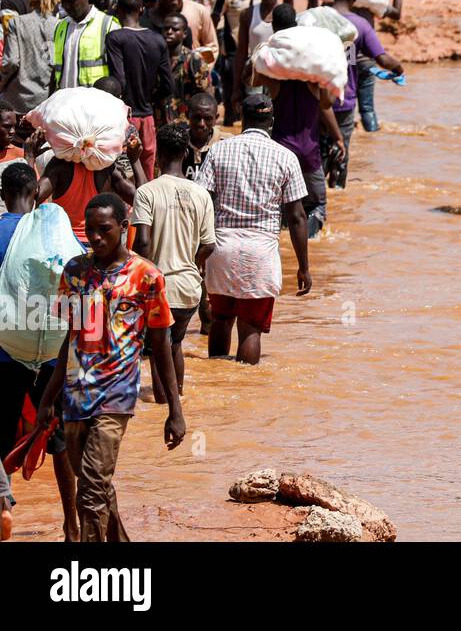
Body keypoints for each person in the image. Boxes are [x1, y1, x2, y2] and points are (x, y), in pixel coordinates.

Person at [36, 192, 185, 542]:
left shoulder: (146, 276)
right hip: (75, 395)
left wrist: (175, 409)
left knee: (88, 492)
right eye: (90, 230)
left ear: (124, 227)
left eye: (104, 230)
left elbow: (161, 344)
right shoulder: (74, 271)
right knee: (94, 484)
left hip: (117, 394)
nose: (96, 237)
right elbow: (70, 339)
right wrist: (48, 397)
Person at [193, 93, 310, 365]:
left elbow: (201, 201)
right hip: (261, 252)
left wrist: (196, 252)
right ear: (271, 121)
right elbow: (297, 217)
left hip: (220, 249)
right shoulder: (286, 157)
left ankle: (218, 384)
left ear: (242, 118)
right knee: (250, 327)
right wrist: (304, 266)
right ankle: (244, 388)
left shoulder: (219, 150)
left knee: (220, 320)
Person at [0, 162, 80, 543]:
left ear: (2, 196)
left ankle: (2, 504)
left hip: (4, 351)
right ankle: (72, 521)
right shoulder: (56, 238)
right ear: (37, 194)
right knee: (59, 439)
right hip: (52, 354)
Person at [131, 122, 215, 401]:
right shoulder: (201, 193)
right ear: (185, 153)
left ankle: (164, 406)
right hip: (190, 288)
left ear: (161, 154)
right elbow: (209, 244)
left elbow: (141, 242)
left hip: (159, 287)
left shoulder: (147, 193)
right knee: (175, 344)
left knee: (158, 349)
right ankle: (175, 400)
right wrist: (192, 261)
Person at [251, 5, 343, 238]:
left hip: (279, 150)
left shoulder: (273, 81)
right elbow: (326, 105)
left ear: (274, 27)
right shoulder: (312, 83)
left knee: (279, 207)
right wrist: (338, 137)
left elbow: (253, 77)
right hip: (309, 153)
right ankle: (309, 240)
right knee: (318, 205)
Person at [324, 0, 402, 188]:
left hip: (316, 97)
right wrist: (399, 68)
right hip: (344, 98)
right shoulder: (359, 24)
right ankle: (338, 190)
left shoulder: (318, 18)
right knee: (341, 149)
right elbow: (382, 59)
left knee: (318, 151)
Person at [105, 0, 172, 180]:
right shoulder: (158, 40)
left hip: (125, 117)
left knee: (124, 173)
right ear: (141, 10)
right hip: (148, 117)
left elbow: (120, 81)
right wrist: (150, 98)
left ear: (117, 11)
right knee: (148, 172)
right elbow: (168, 84)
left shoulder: (115, 38)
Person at [211, 0, 262, 124]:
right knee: (232, 99)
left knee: (256, 102)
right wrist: (216, 49)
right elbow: (214, 19)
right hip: (232, 54)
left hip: (259, 54)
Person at [50, 0, 120, 91]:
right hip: (64, 102)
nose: (67, 7)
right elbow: (54, 70)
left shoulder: (108, 25)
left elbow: (118, 72)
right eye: (63, 3)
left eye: (72, 2)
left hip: (94, 102)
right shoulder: (60, 26)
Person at [1, 0, 56, 113]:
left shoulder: (17, 23)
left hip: (18, 99)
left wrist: (2, 83)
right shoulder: (61, 25)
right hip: (49, 100)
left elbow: (11, 61)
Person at [234, 0, 281, 106]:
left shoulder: (286, 14)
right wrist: (236, 87)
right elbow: (241, 52)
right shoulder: (248, 14)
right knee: (254, 112)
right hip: (255, 75)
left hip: (278, 75)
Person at [151, 0, 218, 65]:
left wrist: (200, 71)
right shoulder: (145, 20)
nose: (175, 2)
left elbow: (212, 47)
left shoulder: (198, 12)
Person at [158, 13, 208, 123]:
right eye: (166, 28)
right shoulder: (155, 58)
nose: (169, 32)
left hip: (185, 124)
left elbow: (205, 94)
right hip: (159, 123)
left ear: (184, 33)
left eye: (175, 29)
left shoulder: (194, 60)